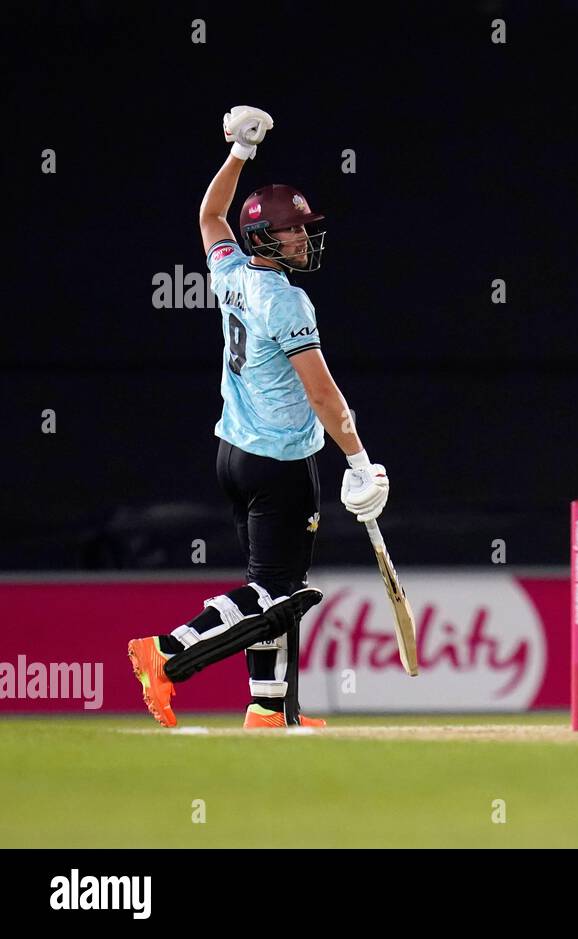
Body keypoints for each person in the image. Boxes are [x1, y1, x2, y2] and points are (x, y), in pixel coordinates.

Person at [127, 106, 392, 728]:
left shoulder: (230, 271)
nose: (305, 237)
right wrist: (358, 461)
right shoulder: (287, 301)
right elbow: (324, 395)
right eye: (295, 230)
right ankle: (165, 653)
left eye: (304, 228)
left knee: (271, 580)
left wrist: (239, 153)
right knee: (278, 593)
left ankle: (269, 708)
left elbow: (210, 216)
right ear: (268, 237)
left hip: (233, 454)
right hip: (278, 464)